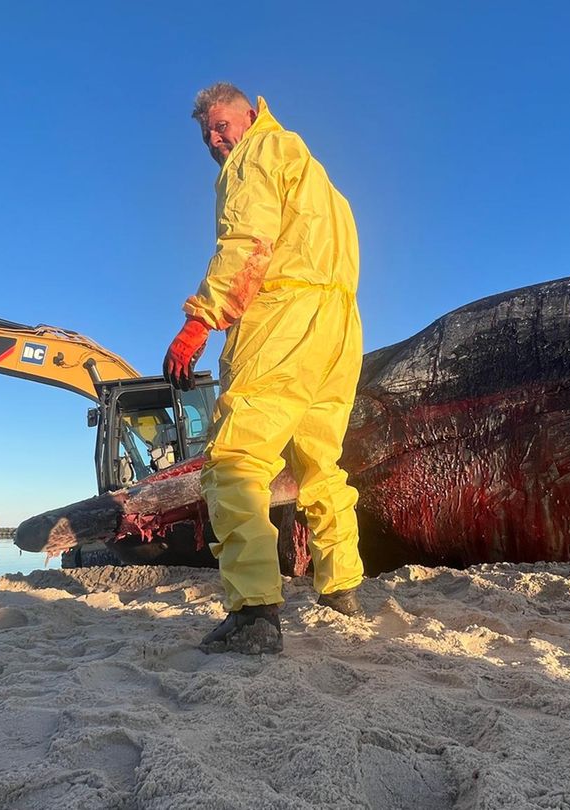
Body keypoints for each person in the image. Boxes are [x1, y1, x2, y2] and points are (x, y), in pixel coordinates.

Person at [163, 83, 365, 655]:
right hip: (339, 325)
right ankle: (342, 587)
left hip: (283, 312)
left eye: (222, 126)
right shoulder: (319, 177)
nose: (215, 140)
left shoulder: (258, 154)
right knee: (319, 462)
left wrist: (203, 319)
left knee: (234, 460)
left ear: (250, 116)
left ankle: (255, 612)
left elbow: (249, 241)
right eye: (207, 134)